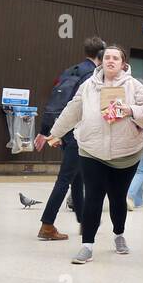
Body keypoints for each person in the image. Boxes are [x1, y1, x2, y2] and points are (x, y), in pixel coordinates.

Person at [45, 45, 143, 265]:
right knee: (92, 197)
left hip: (126, 153)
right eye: (107, 57)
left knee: (117, 197)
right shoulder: (88, 86)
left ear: (123, 64)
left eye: (116, 58)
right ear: (102, 61)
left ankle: (119, 234)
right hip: (91, 150)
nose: (111, 61)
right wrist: (55, 133)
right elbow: (72, 110)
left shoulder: (134, 86)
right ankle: (87, 245)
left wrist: (130, 110)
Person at [34, 36, 104, 241]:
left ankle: (84, 222)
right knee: (65, 178)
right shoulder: (92, 76)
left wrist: (46, 130)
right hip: (78, 132)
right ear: (101, 54)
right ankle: (47, 225)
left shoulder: (70, 71)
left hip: (64, 130)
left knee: (77, 178)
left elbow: (55, 101)